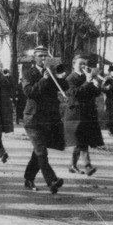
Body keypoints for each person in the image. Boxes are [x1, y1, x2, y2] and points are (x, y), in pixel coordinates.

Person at [22, 46, 68, 194]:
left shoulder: (51, 72)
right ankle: (52, 180)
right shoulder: (29, 73)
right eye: (40, 56)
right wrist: (45, 78)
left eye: (45, 56)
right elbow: (29, 92)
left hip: (48, 118)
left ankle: (28, 178)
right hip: (33, 118)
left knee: (39, 151)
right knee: (41, 150)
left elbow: (65, 87)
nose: (43, 58)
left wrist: (60, 77)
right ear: (34, 58)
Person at [64, 55, 104, 175]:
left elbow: (95, 93)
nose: (83, 66)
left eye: (84, 64)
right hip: (75, 114)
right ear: (74, 64)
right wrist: (88, 81)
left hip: (87, 113)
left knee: (82, 140)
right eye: (81, 64)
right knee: (81, 141)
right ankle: (87, 166)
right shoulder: (70, 79)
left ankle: (72, 165)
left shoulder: (86, 77)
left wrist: (97, 83)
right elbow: (75, 93)